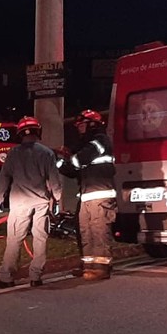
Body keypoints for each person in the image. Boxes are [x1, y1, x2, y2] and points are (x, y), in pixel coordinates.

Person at [0, 116, 63, 288]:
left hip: (19, 203)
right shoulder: (46, 153)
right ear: (38, 131)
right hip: (40, 202)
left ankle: (7, 277)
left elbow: (4, 177)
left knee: (15, 239)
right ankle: (36, 276)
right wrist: (58, 198)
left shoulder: (13, 153)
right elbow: (54, 180)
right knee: (40, 238)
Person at [67, 109, 118, 280]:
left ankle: (102, 267)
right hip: (86, 195)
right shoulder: (85, 144)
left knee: (98, 230)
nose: (79, 128)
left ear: (93, 124)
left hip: (100, 194)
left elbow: (79, 160)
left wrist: (68, 156)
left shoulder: (100, 141)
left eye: (82, 124)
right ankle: (88, 266)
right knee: (85, 231)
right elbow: (71, 169)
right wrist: (57, 160)